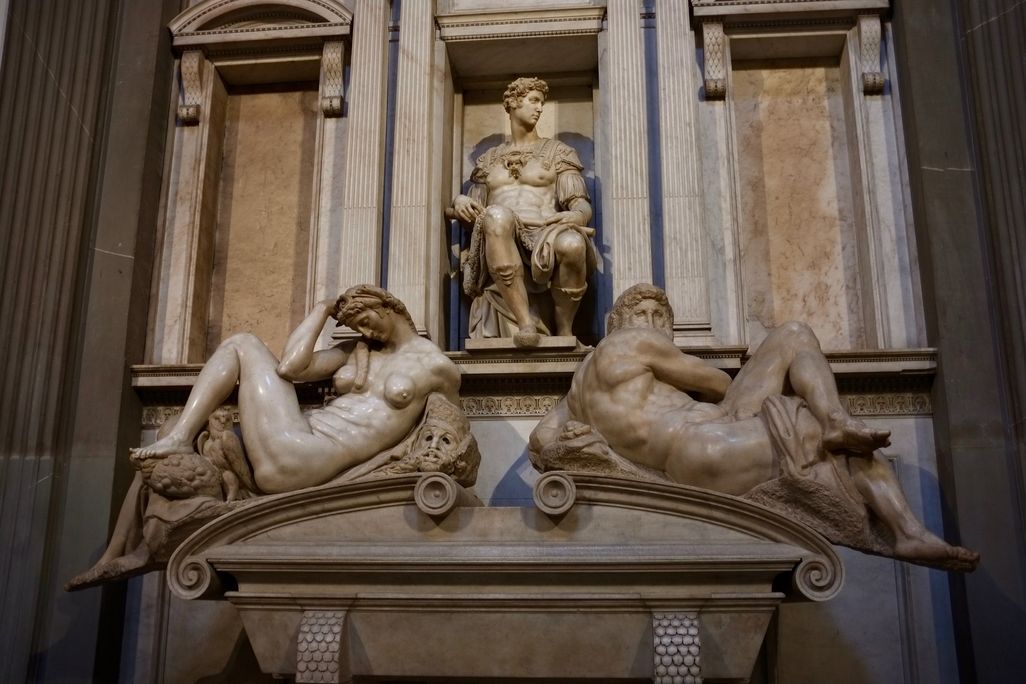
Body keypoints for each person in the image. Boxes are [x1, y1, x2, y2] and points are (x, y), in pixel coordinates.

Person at [530, 284, 979, 570]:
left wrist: (596, 447)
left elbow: (540, 444)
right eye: (643, 314)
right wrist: (730, 393)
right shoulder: (633, 343)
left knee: (794, 334)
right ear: (619, 325)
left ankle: (836, 421)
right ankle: (906, 532)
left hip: (699, 444)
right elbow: (715, 381)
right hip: (707, 441)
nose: (652, 324)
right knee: (811, 428)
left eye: (658, 316)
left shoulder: (574, 395)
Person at [133, 285, 461, 494]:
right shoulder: (356, 353)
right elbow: (289, 368)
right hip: (297, 441)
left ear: (388, 306)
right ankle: (180, 437)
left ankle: (180, 438)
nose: (364, 330)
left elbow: (452, 430)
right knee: (241, 343)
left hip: (310, 458)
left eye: (365, 319)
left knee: (243, 344)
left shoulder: (437, 367)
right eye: (356, 326)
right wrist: (322, 309)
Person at [451, 77, 596, 346]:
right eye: (534, 101)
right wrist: (460, 201)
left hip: (545, 233)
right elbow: (477, 215)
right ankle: (525, 323)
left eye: (541, 102)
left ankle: (564, 331)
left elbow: (579, 202)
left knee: (574, 243)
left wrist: (577, 216)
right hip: (499, 233)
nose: (539, 108)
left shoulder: (558, 152)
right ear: (512, 104)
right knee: (496, 215)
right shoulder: (488, 160)